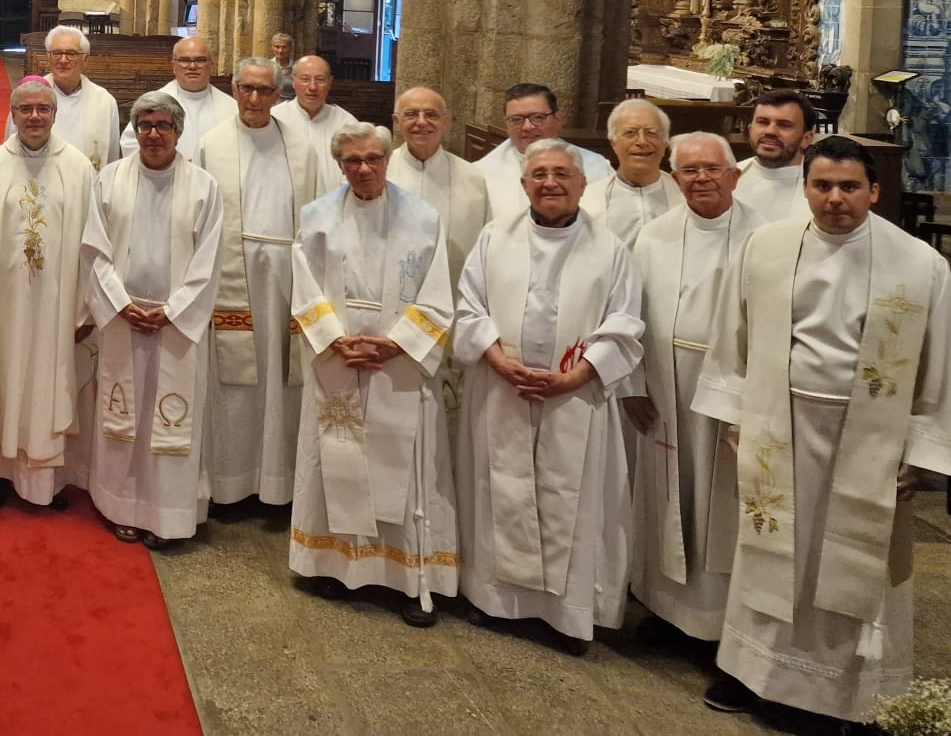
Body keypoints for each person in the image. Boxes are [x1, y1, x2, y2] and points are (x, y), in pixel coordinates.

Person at [696, 137, 951, 722]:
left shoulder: (919, 264)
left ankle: (852, 695)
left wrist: (917, 452)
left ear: (874, 191)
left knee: (854, 559)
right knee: (772, 549)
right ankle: (753, 672)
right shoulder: (766, 247)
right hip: (781, 423)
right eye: (822, 186)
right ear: (805, 189)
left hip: (869, 434)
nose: (835, 198)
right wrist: (736, 417)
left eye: (849, 186)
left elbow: (938, 367)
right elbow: (731, 337)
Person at [455, 139, 642, 647]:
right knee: (500, 487)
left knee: (569, 497)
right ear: (524, 185)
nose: (550, 183)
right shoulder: (495, 237)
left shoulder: (610, 249)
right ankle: (496, 601)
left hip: (575, 397)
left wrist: (579, 376)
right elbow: (469, 309)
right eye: (539, 175)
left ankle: (568, 615)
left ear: (582, 184)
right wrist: (498, 361)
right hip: (502, 389)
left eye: (561, 174)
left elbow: (626, 323)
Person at [289, 123, 457, 626]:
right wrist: (334, 338)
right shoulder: (317, 216)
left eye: (372, 159)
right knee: (335, 456)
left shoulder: (423, 218)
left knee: (403, 466)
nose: (363, 169)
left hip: (397, 360)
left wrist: (397, 343)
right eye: (352, 161)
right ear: (339, 164)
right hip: (337, 356)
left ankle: (408, 579)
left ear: (387, 159)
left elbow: (438, 292)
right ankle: (334, 565)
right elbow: (304, 285)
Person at [624, 131, 753, 642]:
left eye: (712, 169)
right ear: (674, 179)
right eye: (689, 171)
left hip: (734, 395)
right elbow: (631, 314)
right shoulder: (654, 235)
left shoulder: (765, 238)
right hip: (666, 388)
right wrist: (634, 383)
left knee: (724, 507)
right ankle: (666, 611)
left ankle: (723, 625)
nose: (701, 179)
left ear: (734, 176)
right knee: (667, 496)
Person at [81, 90, 224, 546]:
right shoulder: (109, 179)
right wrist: (119, 303)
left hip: (175, 323)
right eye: (145, 125)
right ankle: (120, 504)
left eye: (163, 125)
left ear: (178, 132)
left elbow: (209, 260)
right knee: (124, 415)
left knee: (169, 421)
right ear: (135, 130)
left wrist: (173, 310)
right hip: (124, 317)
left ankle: (167, 513)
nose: (154, 134)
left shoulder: (203, 186)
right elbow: (95, 250)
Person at [0, 76, 98, 509]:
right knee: (1, 381)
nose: (35, 117)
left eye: (43, 109)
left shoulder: (79, 169)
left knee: (50, 382)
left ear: (55, 114)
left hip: (59, 307)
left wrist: (85, 309)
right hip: (3, 305)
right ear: (13, 114)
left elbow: (93, 243)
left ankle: (50, 480)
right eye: (26, 109)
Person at [195, 57, 317, 508]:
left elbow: (317, 217)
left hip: (286, 283)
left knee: (283, 387)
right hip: (232, 280)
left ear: (278, 95)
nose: (254, 98)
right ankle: (231, 483)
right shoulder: (212, 144)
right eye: (246, 88)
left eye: (265, 90)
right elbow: (200, 215)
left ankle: (278, 485)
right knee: (234, 388)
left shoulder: (302, 147)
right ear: (233, 89)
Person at [387, 85, 490, 286]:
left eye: (431, 114)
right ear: (397, 122)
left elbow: (486, 244)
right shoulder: (381, 172)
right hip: (392, 287)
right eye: (411, 114)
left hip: (452, 288)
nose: (421, 122)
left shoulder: (472, 176)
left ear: (446, 122)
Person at [473, 83, 613, 219]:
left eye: (538, 117)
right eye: (516, 120)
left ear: (558, 119)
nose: (527, 127)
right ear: (507, 126)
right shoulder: (481, 174)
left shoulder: (597, 166)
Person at [2, 25, 123, 170]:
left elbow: (111, 159)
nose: (63, 60)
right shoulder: (28, 95)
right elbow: (10, 146)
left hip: (86, 181)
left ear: (85, 59)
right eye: (57, 53)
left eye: (71, 53)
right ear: (48, 58)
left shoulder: (105, 101)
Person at [119, 36, 235, 158]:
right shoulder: (153, 103)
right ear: (173, 66)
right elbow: (130, 144)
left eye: (200, 60)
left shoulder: (231, 108)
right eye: (184, 60)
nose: (192, 66)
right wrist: (171, 164)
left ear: (211, 65)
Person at [582, 99, 674, 246]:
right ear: (614, 143)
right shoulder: (587, 201)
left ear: (665, 143)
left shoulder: (683, 197)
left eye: (651, 133)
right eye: (630, 133)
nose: (642, 142)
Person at [271, 55, 355, 191]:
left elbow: (356, 168)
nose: (312, 87)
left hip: (334, 201)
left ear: (330, 82)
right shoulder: (275, 118)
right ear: (293, 81)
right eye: (305, 79)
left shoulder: (346, 123)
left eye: (320, 80)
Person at [732, 89, 813, 228]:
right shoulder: (727, 178)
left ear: (806, 138)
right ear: (750, 130)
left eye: (784, 125)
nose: (770, 131)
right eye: (763, 122)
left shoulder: (825, 188)